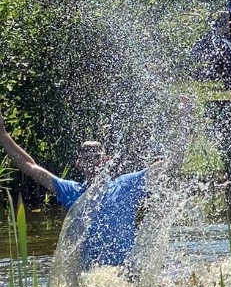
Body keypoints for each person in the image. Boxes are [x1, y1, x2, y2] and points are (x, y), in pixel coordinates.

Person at [0, 106, 184, 270]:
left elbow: (172, 163)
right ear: (79, 164)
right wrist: (2, 134)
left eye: (96, 156)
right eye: (87, 158)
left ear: (106, 160)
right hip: (91, 277)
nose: (92, 162)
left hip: (125, 274)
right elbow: (30, 167)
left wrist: (185, 120)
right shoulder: (72, 192)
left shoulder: (127, 184)